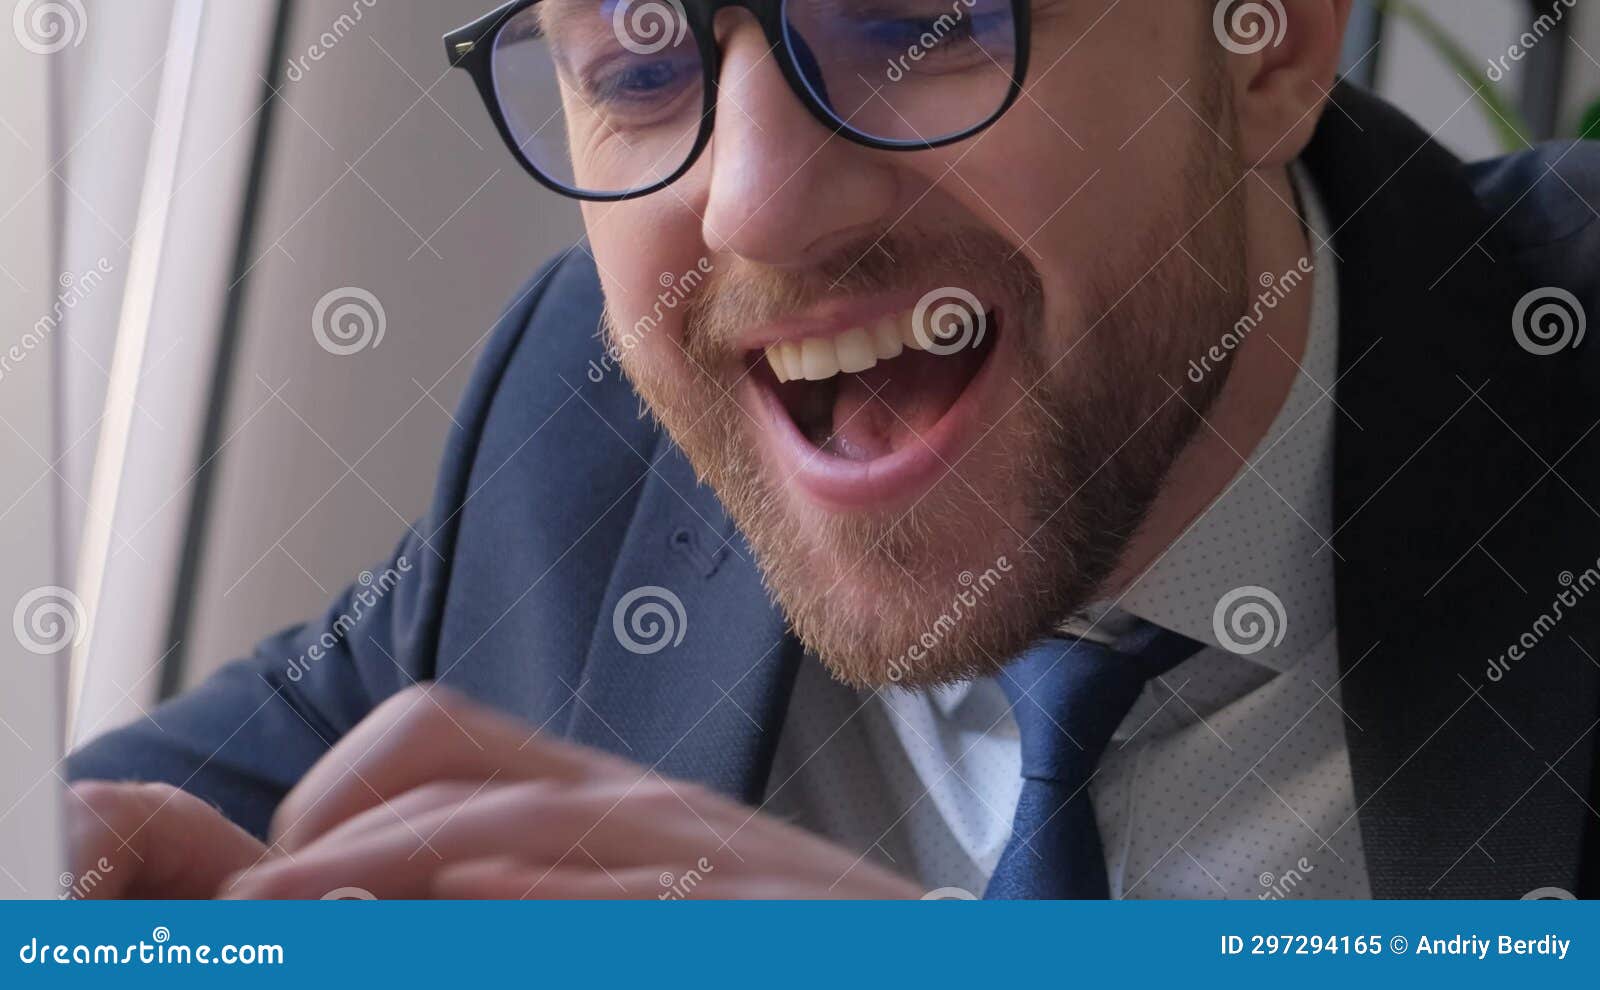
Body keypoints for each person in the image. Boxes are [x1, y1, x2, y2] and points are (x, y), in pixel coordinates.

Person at [67, 0, 1600, 899]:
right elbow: (116, 835)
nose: (755, 206)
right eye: (640, 65)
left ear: (1268, 47)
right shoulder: (578, 416)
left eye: (919, 22)